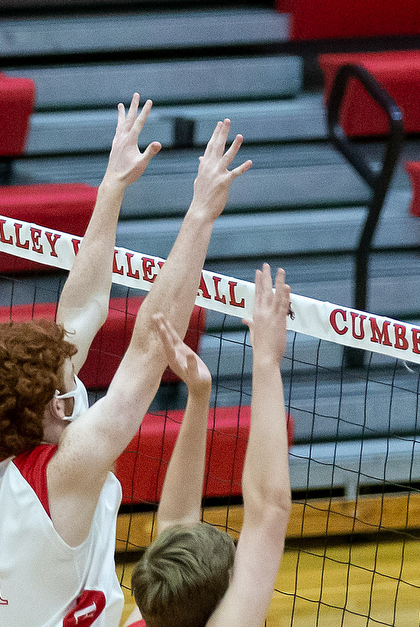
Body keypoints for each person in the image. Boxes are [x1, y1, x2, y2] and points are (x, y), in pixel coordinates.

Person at [0, 96, 251, 627]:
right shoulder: (65, 471)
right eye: (63, 377)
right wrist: (200, 213)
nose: (69, 364)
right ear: (53, 407)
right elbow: (150, 345)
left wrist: (112, 185)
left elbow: (80, 308)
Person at [124, 264, 292, 627]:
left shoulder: (148, 614)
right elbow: (269, 509)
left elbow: (175, 520)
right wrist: (267, 359)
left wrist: (198, 396)